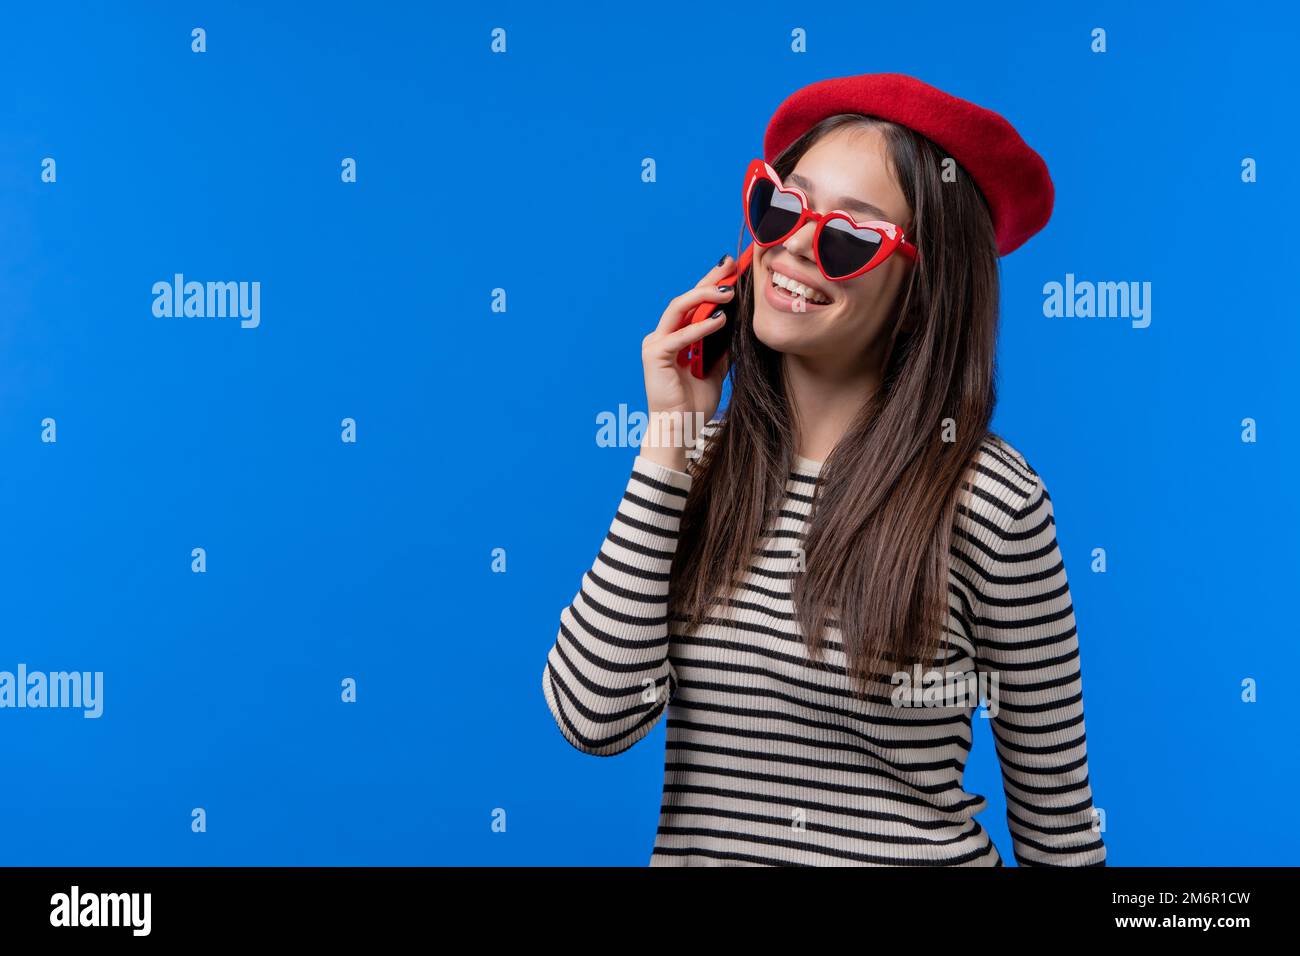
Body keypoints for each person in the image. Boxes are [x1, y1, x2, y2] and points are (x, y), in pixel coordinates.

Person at [541, 72, 1106, 867]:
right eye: (781, 206)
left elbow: (1061, 829)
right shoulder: (697, 464)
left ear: (925, 287)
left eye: (849, 237)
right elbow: (595, 718)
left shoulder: (988, 498)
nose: (797, 245)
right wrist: (669, 434)